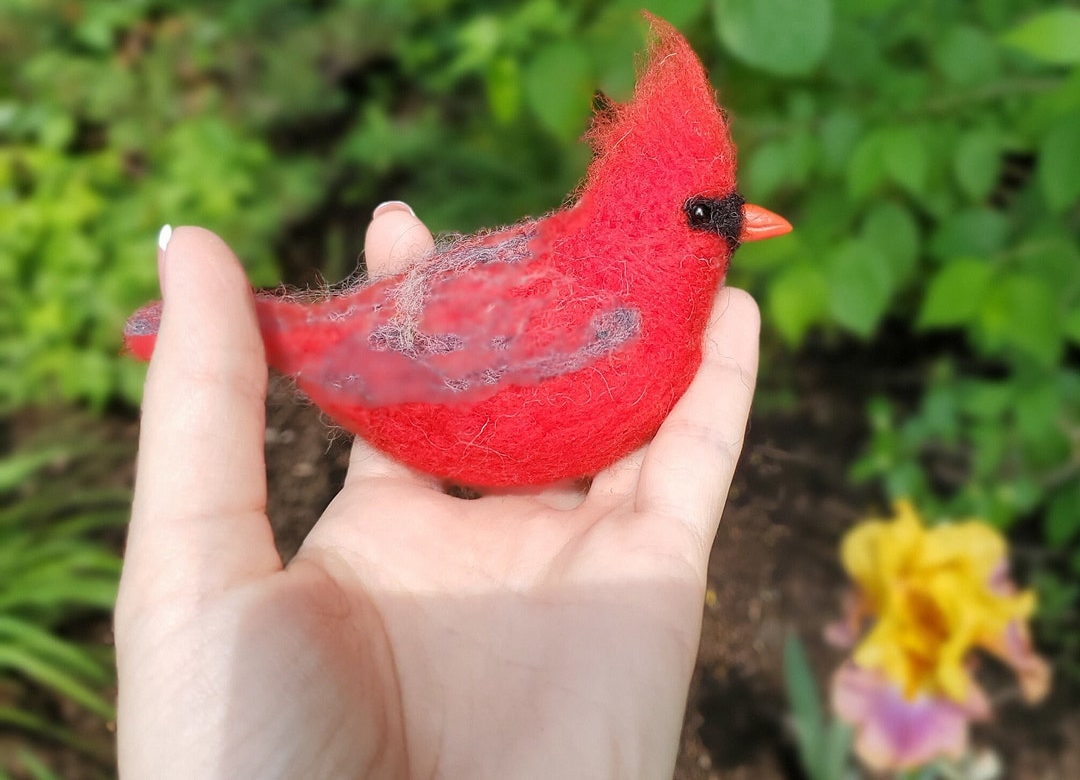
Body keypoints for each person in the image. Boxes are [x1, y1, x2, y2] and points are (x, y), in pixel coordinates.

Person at [114, 202, 762, 780]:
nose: (738, 219)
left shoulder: (630, 314)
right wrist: (309, 337)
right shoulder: (594, 304)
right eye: (705, 214)